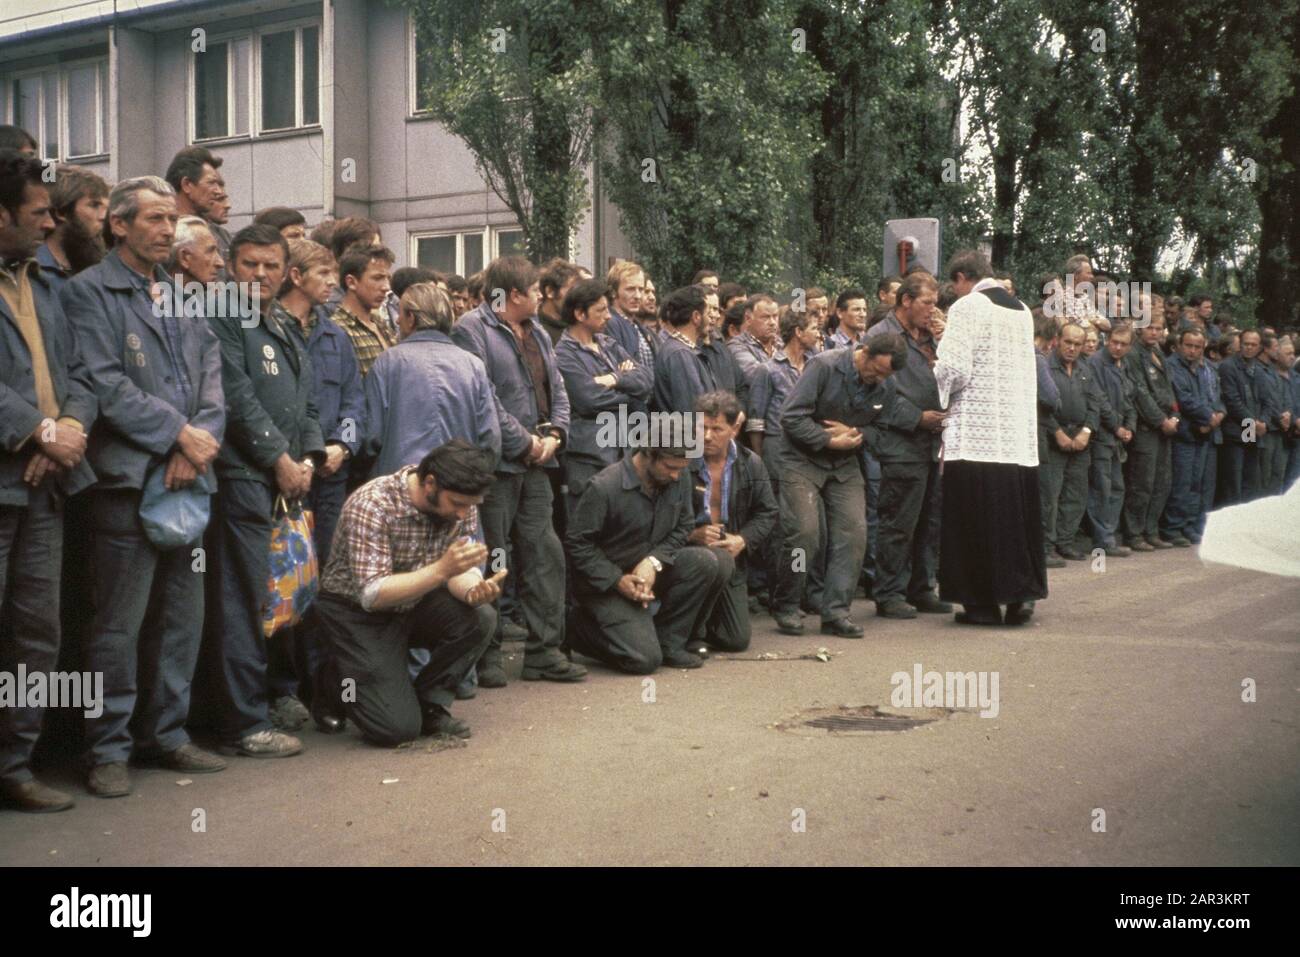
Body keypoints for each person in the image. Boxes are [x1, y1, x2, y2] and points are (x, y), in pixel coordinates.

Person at [61, 175, 228, 797]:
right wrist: (178, 436)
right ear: (119, 225)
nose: (165, 229)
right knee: (118, 626)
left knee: (182, 620)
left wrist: (197, 440)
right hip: (126, 484)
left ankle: (170, 735)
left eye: (168, 219)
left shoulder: (182, 296)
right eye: (153, 220)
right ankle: (107, 748)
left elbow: (213, 379)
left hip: (187, 481)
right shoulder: (89, 292)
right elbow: (103, 383)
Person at [201, 224, 325, 757]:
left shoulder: (280, 322)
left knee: (279, 600)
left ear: (285, 268)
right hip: (244, 481)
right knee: (240, 603)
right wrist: (278, 460)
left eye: (271, 265)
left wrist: (311, 457)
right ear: (232, 266)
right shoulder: (225, 315)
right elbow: (236, 397)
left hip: (285, 482)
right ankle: (243, 725)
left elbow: (307, 403)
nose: (260, 274)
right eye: (249, 263)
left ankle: (269, 701)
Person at [0, 149, 96, 813]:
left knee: (38, 634)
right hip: (14, 473)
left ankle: (16, 763)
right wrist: (38, 430)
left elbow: (84, 374)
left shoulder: (49, 285)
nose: (48, 222)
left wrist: (64, 428)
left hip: (44, 484)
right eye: (37, 212)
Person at [452, 256, 584, 686]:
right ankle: (485, 656)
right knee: (492, 555)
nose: (543, 298)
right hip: (497, 466)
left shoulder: (540, 333)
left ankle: (543, 653)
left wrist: (556, 435)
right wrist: (524, 442)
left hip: (539, 466)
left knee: (544, 554)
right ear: (514, 295)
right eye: (536, 291)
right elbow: (484, 398)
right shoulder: (472, 330)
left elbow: (558, 389)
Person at [314, 441, 502, 745]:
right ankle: (338, 680)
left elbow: (458, 568)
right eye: (457, 503)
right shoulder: (373, 503)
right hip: (356, 612)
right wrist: (441, 570)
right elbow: (373, 594)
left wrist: (472, 590)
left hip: (413, 601)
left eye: (471, 505)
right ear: (430, 483)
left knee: (481, 617)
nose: (464, 513)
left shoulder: (461, 503)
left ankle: (430, 703)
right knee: (396, 730)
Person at [276, 238, 365, 730]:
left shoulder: (336, 338)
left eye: (334, 274)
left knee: (328, 586)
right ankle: (282, 692)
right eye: (324, 274)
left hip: (331, 481)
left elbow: (356, 401)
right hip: (284, 478)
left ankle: (326, 695)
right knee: (281, 587)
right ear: (296, 276)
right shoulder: (269, 328)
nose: (332, 283)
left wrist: (342, 446)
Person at [933, 250, 1047, 626]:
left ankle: (980, 603)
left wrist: (937, 365)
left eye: (954, 284)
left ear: (964, 278)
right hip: (1015, 434)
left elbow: (954, 368)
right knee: (1014, 516)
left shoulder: (968, 307)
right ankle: (1020, 597)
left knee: (974, 517)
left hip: (977, 432)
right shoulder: (1022, 310)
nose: (954, 292)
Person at [770, 335, 903, 638]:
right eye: (876, 371)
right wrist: (828, 439)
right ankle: (788, 603)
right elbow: (790, 417)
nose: (879, 379)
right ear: (864, 352)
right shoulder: (823, 366)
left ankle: (836, 612)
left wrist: (856, 433)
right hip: (801, 459)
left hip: (844, 465)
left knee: (854, 533)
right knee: (804, 533)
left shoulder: (887, 385)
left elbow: (882, 433)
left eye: (886, 375)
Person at [566, 444, 731, 672]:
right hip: (606, 585)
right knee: (643, 660)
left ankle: (668, 641)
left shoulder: (677, 475)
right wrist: (616, 579)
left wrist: (653, 561)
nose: (676, 476)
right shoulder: (604, 487)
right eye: (670, 468)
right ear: (648, 455)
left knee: (707, 562)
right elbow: (578, 544)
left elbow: (684, 526)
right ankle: (577, 628)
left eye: (680, 469)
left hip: (648, 570)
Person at [864, 272, 951, 618]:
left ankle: (921, 586)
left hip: (933, 444)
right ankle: (889, 592)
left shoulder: (930, 335)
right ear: (905, 301)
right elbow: (876, 390)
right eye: (927, 304)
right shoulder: (880, 336)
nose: (933, 311)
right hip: (900, 443)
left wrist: (943, 339)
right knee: (898, 520)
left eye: (936, 305)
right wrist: (916, 418)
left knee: (929, 520)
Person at [364, 282, 500, 477]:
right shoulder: (473, 365)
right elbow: (491, 438)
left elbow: (371, 435)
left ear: (411, 318)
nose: (396, 320)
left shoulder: (388, 362)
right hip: (458, 484)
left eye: (400, 313)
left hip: (400, 486)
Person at [687, 392, 777, 653]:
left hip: (729, 559)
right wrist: (692, 535)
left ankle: (704, 622)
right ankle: (688, 628)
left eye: (717, 429)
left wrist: (743, 539)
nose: (707, 436)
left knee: (736, 640)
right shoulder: (680, 460)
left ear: (735, 429)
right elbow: (657, 516)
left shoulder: (751, 464)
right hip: (687, 554)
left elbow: (768, 512)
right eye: (702, 427)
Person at [553, 278, 653, 513]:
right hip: (589, 459)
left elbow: (647, 380)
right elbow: (588, 399)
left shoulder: (608, 343)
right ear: (580, 313)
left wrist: (615, 380)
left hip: (623, 452)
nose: (608, 316)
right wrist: (631, 394)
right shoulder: (564, 354)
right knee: (589, 525)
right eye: (601, 310)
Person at [1040, 323, 1100, 562]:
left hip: (1080, 440)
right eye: (1068, 342)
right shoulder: (1045, 366)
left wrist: (1086, 431)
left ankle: (1066, 542)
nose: (1072, 348)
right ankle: (1046, 547)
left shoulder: (1086, 369)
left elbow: (1095, 403)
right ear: (1057, 340)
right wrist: (1056, 432)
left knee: (1075, 494)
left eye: (1078, 344)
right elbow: (1040, 404)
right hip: (1053, 439)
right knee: (1049, 496)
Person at [1121, 308, 1179, 551]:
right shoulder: (1133, 354)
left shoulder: (1157, 352)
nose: (1154, 332)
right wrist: (1160, 420)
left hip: (1165, 425)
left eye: (1158, 328)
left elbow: (1168, 388)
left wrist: (1175, 415)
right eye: (1150, 328)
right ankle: (1134, 534)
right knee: (1141, 482)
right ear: (1139, 328)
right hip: (1148, 427)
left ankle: (1151, 530)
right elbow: (1139, 393)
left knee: (1162, 481)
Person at [1161, 329, 1224, 545]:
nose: (1193, 350)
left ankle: (1189, 526)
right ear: (1180, 344)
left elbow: (1217, 396)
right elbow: (1183, 398)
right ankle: (1172, 527)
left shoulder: (1207, 367)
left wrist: (1219, 415)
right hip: (1186, 433)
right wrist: (1209, 417)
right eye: (1189, 345)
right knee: (1182, 483)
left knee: (1198, 483)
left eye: (1197, 347)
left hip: (1206, 433)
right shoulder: (1172, 366)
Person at [1085, 322, 1137, 557]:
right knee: (1101, 487)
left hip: (1118, 437)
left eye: (1123, 344)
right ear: (1107, 340)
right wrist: (1117, 427)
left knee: (1117, 486)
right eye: (1114, 342)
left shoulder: (1124, 364)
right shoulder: (1096, 362)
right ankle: (1102, 539)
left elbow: (1130, 399)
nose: (1117, 347)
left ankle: (1109, 536)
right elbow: (1099, 399)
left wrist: (1129, 427)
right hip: (1102, 436)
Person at [38, 165, 109, 293]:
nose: (104, 216)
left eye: (106, 207)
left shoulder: (100, 264)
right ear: (62, 212)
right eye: (94, 205)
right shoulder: (31, 270)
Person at [1217, 329, 1267, 505]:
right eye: (1246, 343)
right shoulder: (1228, 366)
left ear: (1260, 347)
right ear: (1240, 343)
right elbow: (1233, 401)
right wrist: (1253, 423)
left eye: (1254, 345)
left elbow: (1266, 400)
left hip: (1252, 431)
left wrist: (1263, 422)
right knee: (1233, 481)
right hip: (1236, 430)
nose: (1249, 348)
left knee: (1249, 480)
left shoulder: (1259, 370)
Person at [331, 243, 396, 379]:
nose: (386, 287)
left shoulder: (381, 324)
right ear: (351, 282)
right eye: (378, 278)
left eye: (387, 278)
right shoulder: (336, 330)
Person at [653, 285, 717, 416]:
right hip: (685, 435)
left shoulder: (683, 350)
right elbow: (692, 411)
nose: (710, 318)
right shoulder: (679, 354)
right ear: (696, 317)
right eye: (707, 313)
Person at [164, 146, 232, 263]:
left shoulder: (223, 236)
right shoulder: (165, 233)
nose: (219, 192)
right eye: (211, 183)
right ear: (187, 185)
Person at [604, 259, 655, 374]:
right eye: (630, 289)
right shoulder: (610, 323)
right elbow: (623, 372)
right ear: (613, 292)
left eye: (641, 289)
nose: (637, 296)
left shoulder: (639, 327)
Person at [536, 258, 582, 345]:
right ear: (550, 291)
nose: (576, 297)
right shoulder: (534, 333)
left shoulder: (578, 328)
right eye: (571, 290)